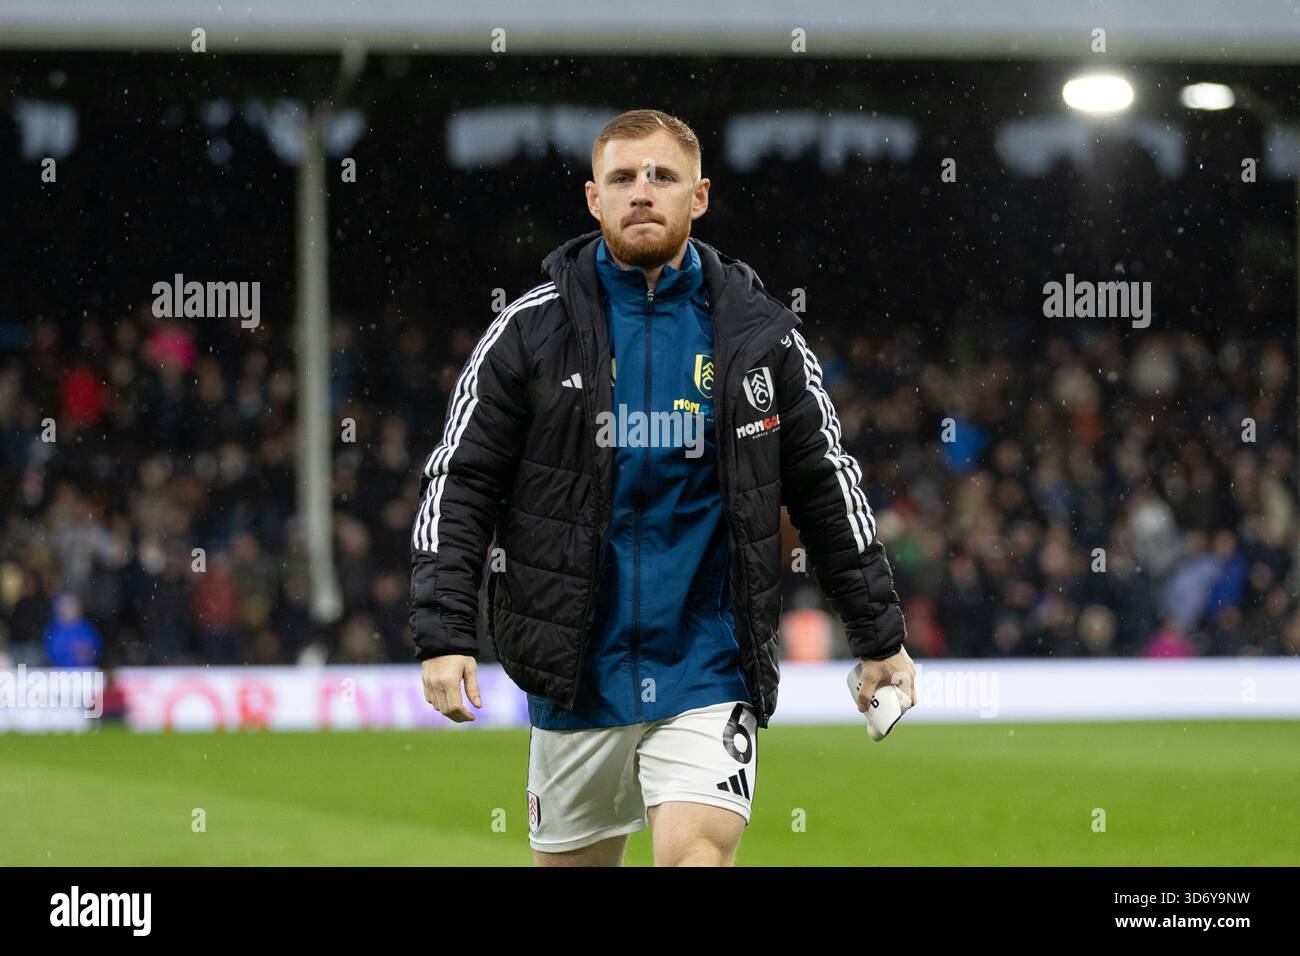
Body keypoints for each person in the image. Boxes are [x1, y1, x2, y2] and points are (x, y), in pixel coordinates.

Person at [410, 108, 913, 867]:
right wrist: (445, 633)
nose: (642, 191)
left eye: (662, 176)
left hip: (706, 663)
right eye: (622, 178)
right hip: (574, 671)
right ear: (594, 199)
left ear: (698, 197)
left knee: (696, 859)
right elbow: (462, 481)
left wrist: (880, 638)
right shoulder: (525, 332)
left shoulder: (762, 337)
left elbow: (825, 486)